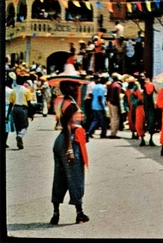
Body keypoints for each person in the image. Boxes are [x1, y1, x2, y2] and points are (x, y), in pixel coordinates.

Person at [50, 83, 89, 226]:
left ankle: (56, 213)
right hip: (69, 140)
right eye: (75, 87)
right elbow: (67, 127)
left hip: (60, 141)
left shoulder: (62, 102)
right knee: (75, 177)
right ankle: (79, 213)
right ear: (71, 88)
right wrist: (70, 149)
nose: (77, 88)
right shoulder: (71, 104)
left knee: (59, 178)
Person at [8, 75, 33, 150]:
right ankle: (20, 136)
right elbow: (29, 103)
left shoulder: (13, 90)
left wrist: (8, 114)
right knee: (25, 125)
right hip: (22, 109)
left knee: (18, 126)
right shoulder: (26, 91)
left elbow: (10, 103)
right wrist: (31, 113)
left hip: (15, 109)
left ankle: (20, 143)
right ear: (24, 82)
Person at [142, 75, 158, 146]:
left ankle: (144, 139)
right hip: (149, 107)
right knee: (151, 122)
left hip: (147, 107)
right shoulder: (151, 86)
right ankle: (148, 139)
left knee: (147, 122)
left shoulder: (143, 87)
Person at [107, 73, 122, 138]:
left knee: (112, 118)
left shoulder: (110, 85)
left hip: (109, 102)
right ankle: (114, 133)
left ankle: (112, 132)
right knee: (115, 118)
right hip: (114, 103)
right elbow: (117, 97)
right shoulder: (117, 86)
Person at [5, 78, 15, 148]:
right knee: (7, 128)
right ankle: (4, 142)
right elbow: (12, 102)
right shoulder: (11, 91)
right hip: (8, 107)